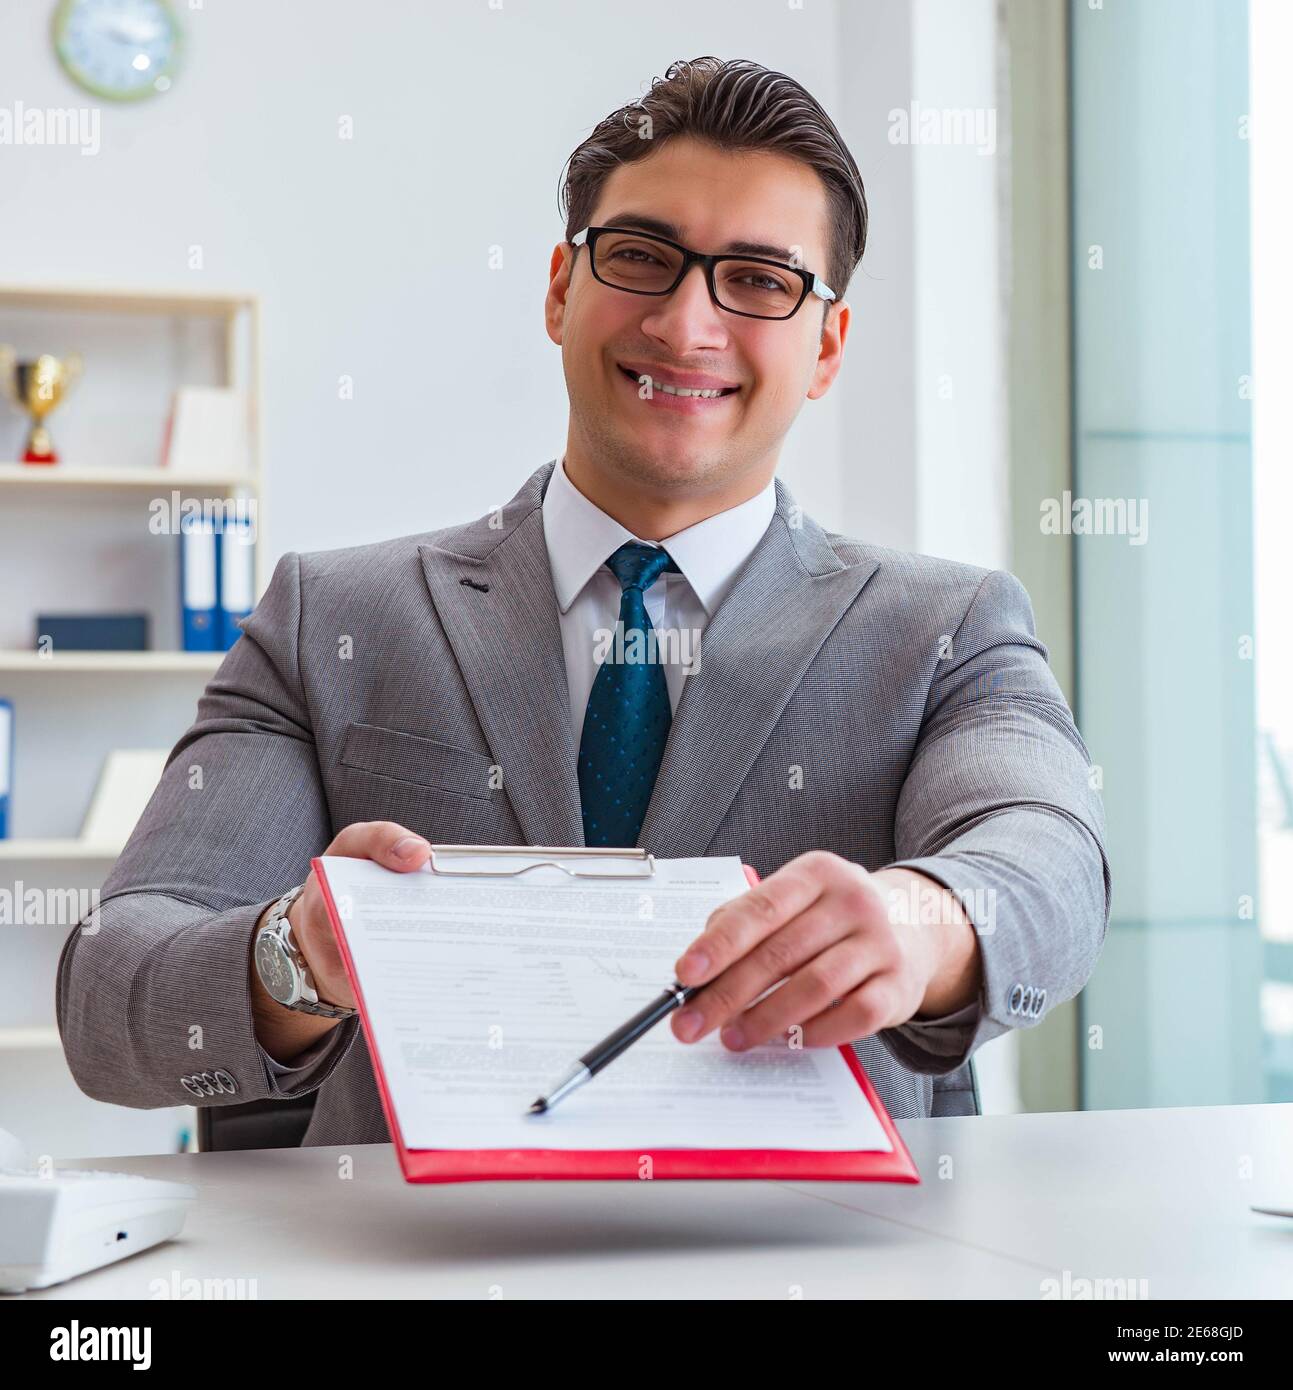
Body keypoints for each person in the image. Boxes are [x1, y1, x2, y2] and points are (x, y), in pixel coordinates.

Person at [57, 57, 1110, 1142]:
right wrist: (297, 950)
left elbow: (1050, 859)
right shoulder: (332, 617)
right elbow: (110, 992)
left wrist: (921, 920)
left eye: (759, 279)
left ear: (827, 345)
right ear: (562, 288)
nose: (686, 322)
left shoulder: (945, 629)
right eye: (644, 258)